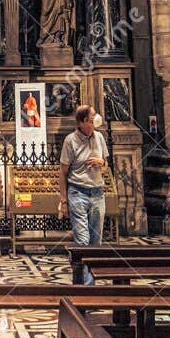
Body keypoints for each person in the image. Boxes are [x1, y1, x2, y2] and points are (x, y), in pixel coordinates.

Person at [58, 105, 109, 284]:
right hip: (77, 192)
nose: (97, 117)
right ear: (84, 121)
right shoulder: (70, 141)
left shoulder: (100, 137)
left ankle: (84, 281)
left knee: (96, 240)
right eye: (93, 115)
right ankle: (88, 288)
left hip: (97, 193)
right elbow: (63, 173)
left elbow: (106, 165)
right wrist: (64, 201)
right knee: (82, 239)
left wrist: (101, 162)